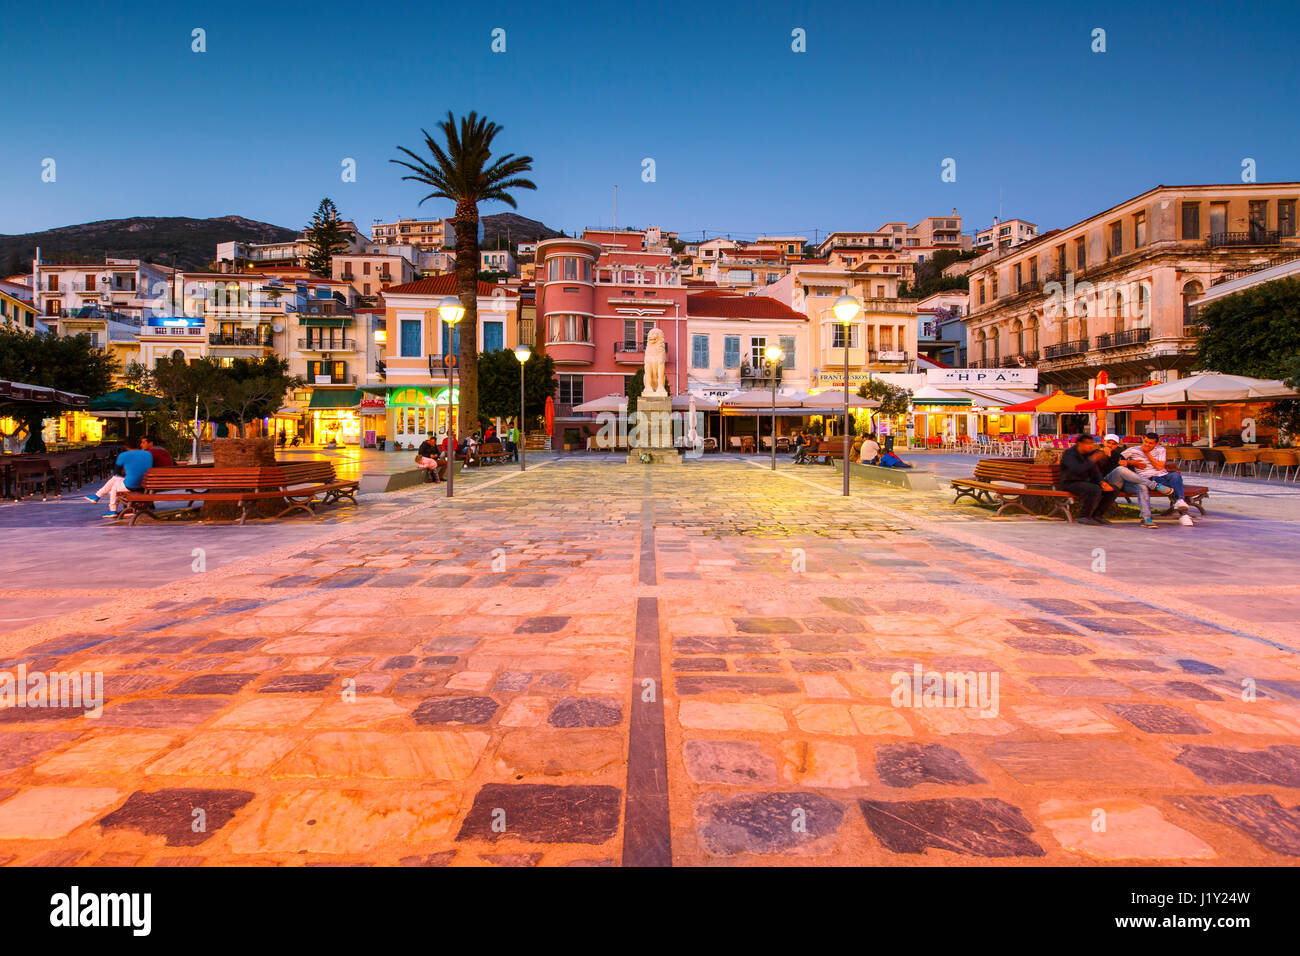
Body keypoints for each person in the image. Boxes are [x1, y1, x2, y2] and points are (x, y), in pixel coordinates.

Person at [1095, 434, 1168, 530]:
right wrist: (1107, 456)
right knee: (1120, 469)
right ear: (1103, 442)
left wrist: (1131, 463)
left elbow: (1124, 463)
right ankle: (1154, 485)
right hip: (1106, 482)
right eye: (1108, 442)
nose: (1110, 445)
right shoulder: (1095, 453)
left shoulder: (1117, 455)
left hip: (1121, 483)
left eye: (1113, 444)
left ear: (1117, 445)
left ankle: (1146, 518)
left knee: (1142, 486)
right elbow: (1095, 470)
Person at [1122, 432, 1194, 526]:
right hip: (1149, 478)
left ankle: (1180, 501)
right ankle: (1184, 514)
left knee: (1175, 476)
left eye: (1151, 443)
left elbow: (1159, 467)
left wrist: (1147, 454)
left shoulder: (1161, 450)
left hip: (1163, 475)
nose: (1147, 445)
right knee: (1168, 484)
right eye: (1146, 442)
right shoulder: (1133, 450)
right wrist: (1132, 463)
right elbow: (1118, 459)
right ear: (1143, 439)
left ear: (1156, 444)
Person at [84, 436, 153, 518]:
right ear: (139, 445)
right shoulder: (148, 454)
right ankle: (99, 498)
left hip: (132, 486)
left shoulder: (123, 455)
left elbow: (117, 472)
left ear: (125, 446)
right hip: (145, 485)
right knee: (115, 483)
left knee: (115, 481)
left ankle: (108, 506)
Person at [1059, 434, 1119, 525]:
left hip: (1086, 482)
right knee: (1094, 489)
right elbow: (1077, 469)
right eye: (1088, 443)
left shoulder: (1088, 454)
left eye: (1091, 443)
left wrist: (1101, 482)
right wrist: (1092, 460)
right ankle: (1084, 516)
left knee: (1113, 489)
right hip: (1070, 482)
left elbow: (1095, 471)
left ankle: (1097, 515)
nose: (1091, 445)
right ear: (1080, 444)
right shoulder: (1070, 454)